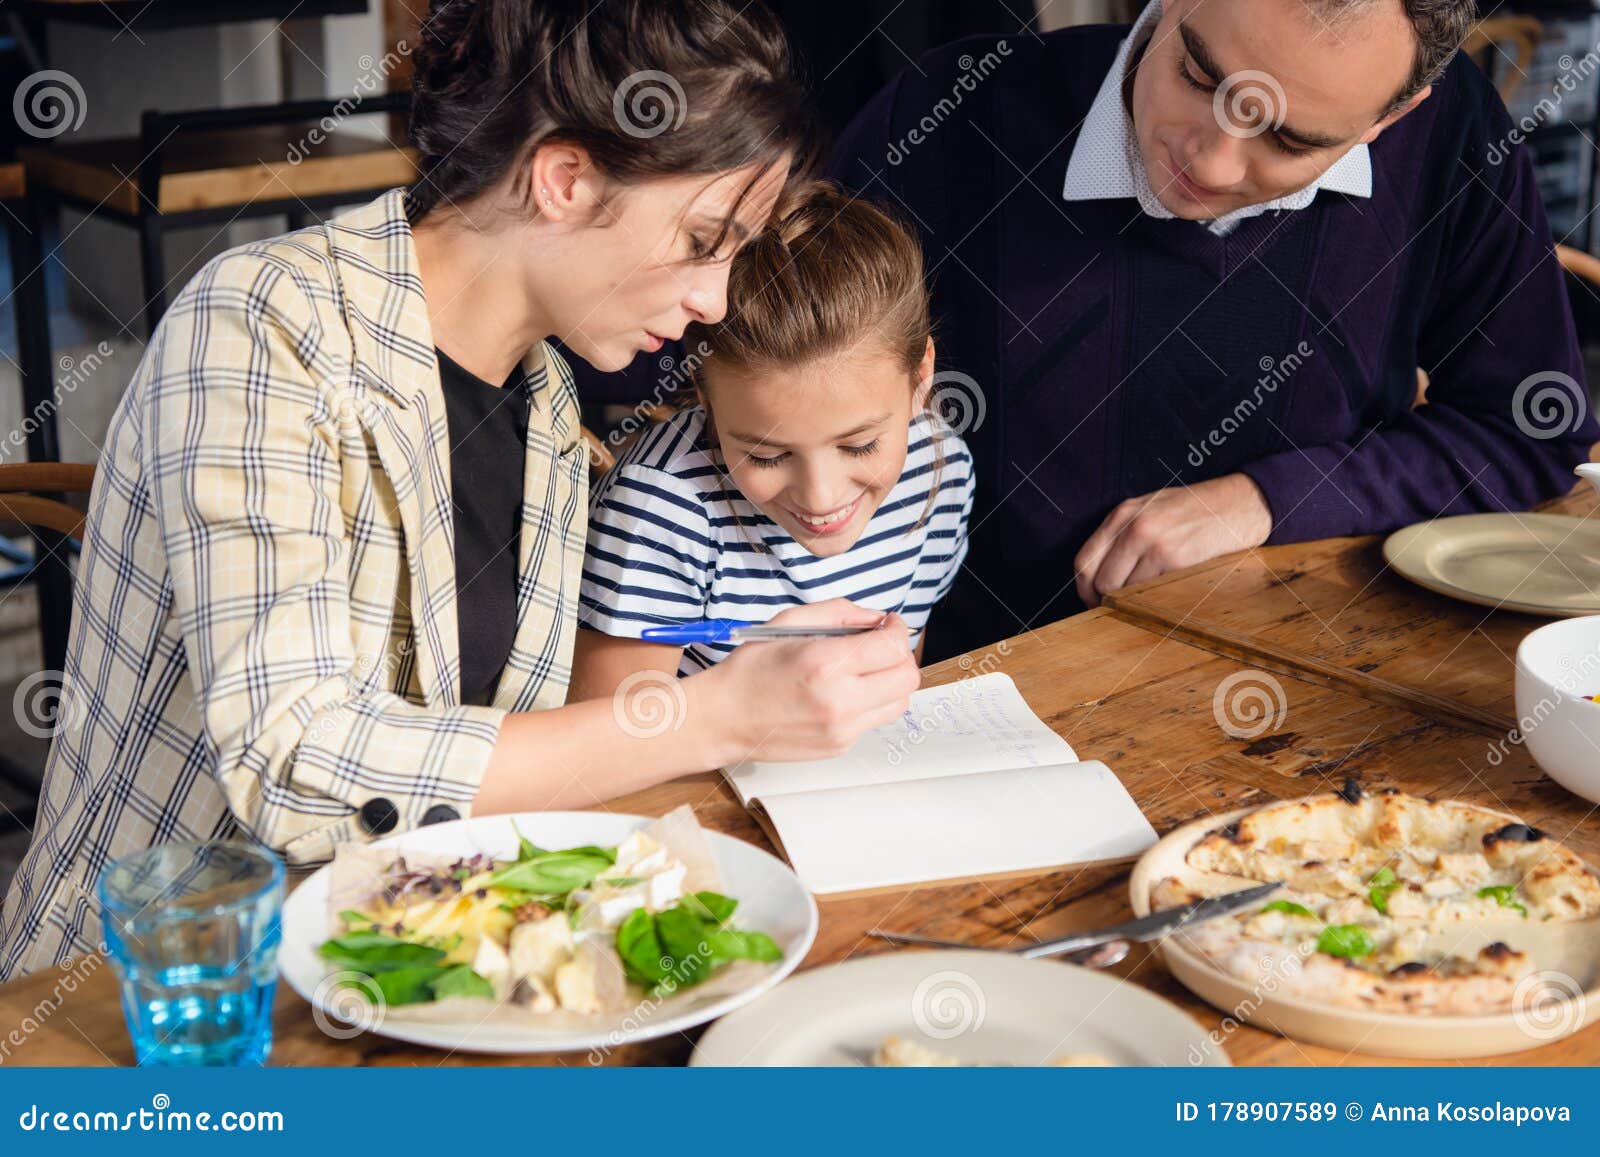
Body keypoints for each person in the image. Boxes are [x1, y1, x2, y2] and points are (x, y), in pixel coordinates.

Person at [0, 0, 920, 979]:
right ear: (564, 178)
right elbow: (297, 762)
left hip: (413, 968)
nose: (717, 301)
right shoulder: (267, 322)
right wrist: (714, 714)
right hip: (153, 999)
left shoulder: (549, 406)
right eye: (704, 240)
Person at [827, 0, 1599, 659]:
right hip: (955, 695)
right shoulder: (946, 117)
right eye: (1201, 76)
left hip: (1316, 679)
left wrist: (1265, 500)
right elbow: (747, 416)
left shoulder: (1450, 132)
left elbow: (1528, 429)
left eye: (1292, 142)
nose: (1214, 162)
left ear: (1392, 117)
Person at [572, 181, 974, 692]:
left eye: (860, 445)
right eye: (765, 455)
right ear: (704, 394)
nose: (821, 497)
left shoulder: (942, 471)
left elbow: (895, 686)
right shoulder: (658, 511)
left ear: (921, 378)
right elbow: (609, 749)